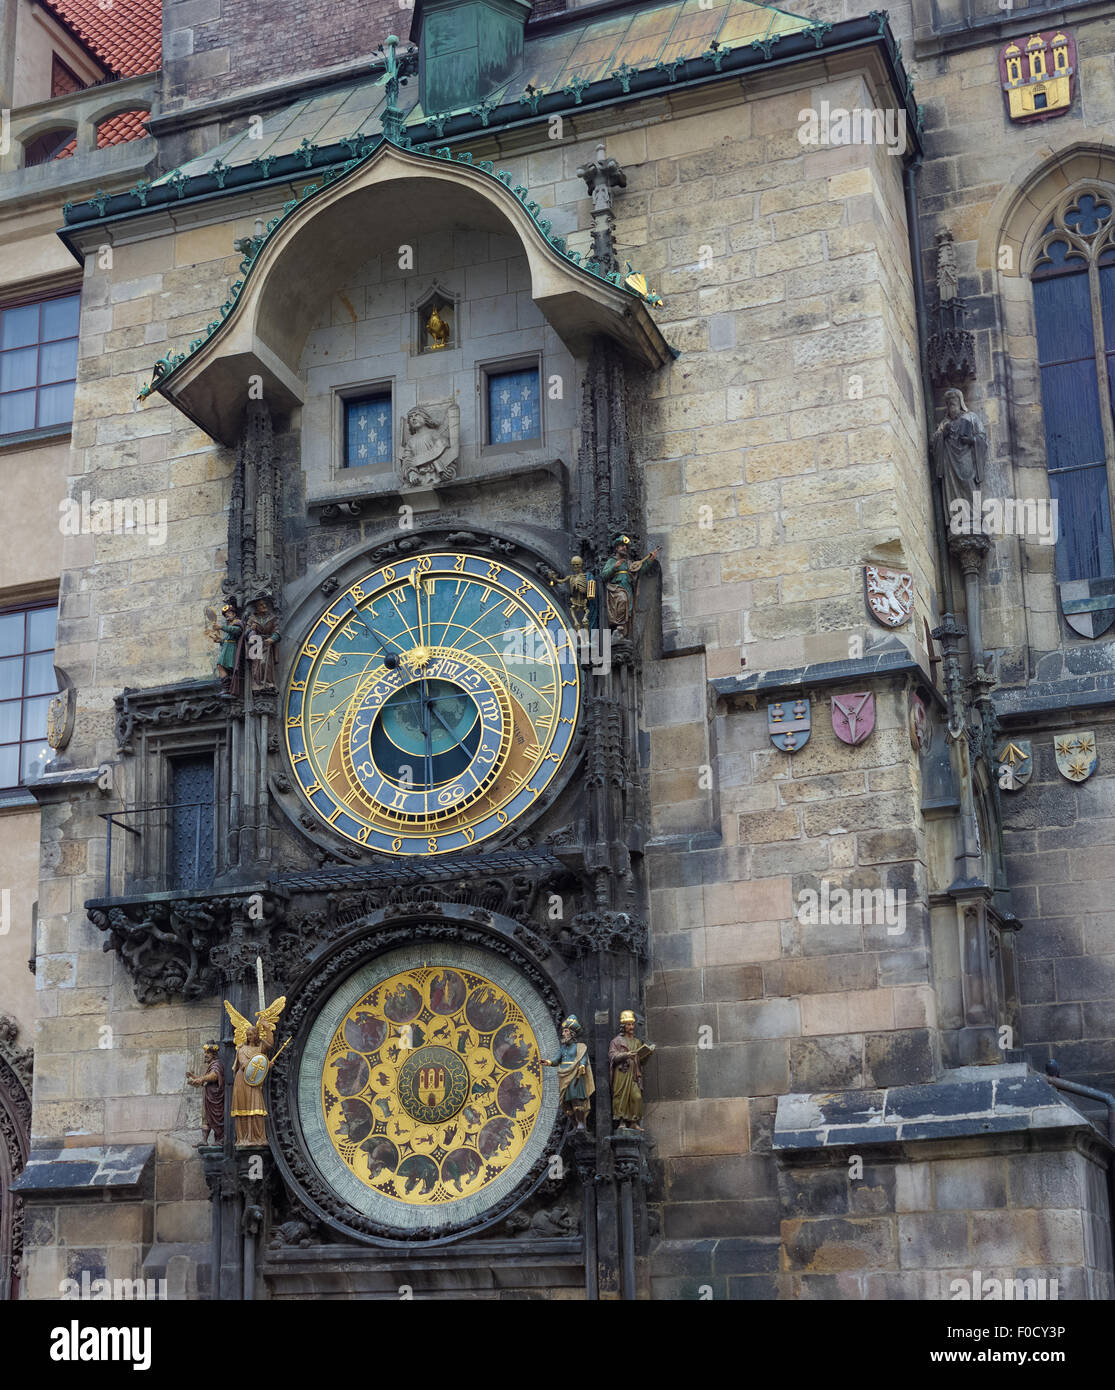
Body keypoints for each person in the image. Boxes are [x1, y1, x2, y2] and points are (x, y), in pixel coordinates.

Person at [932, 387, 987, 515]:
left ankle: (974, 517)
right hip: (950, 464)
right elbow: (935, 441)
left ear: (960, 401)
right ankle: (957, 518)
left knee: (969, 484)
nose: (951, 403)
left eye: (954, 400)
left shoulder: (971, 417)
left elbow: (982, 437)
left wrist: (972, 440)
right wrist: (942, 435)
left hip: (967, 459)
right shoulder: (944, 423)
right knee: (952, 489)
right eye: (948, 401)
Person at [541, 1014, 594, 1132]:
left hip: (575, 1075)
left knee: (577, 1100)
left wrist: (581, 1065)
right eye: (563, 1031)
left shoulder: (579, 1047)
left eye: (565, 1031)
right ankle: (575, 1124)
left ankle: (581, 1123)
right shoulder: (563, 1049)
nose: (563, 1034)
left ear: (572, 1033)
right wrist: (548, 1062)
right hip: (564, 1076)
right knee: (566, 1102)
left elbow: (583, 1058)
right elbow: (556, 1060)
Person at [601, 535, 659, 640]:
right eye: (622, 546)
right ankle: (618, 626)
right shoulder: (612, 561)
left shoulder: (629, 563)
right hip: (616, 589)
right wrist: (614, 567)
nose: (624, 548)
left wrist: (650, 560)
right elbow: (604, 575)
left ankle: (624, 631)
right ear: (617, 548)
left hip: (628, 588)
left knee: (629, 610)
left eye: (626, 546)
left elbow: (639, 570)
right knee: (622, 600)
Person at [609, 1010, 655, 1131]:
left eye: (632, 1024)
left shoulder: (637, 1042)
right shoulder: (616, 1041)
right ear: (623, 1026)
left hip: (634, 1073)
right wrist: (625, 1055)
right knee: (621, 1096)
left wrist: (647, 1054)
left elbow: (641, 1061)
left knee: (637, 1097)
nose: (631, 1027)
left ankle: (634, 1121)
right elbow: (612, 1056)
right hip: (622, 1073)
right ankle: (622, 1121)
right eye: (628, 1024)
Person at [186, 1040, 224, 1146]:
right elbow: (204, 1080)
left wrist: (201, 1079)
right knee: (205, 1117)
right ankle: (204, 1140)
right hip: (208, 1096)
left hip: (215, 1097)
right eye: (205, 1053)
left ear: (214, 1054)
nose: (205, 1055)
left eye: (208, 1053)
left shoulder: (217, 1064)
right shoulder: (210, 1065)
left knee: (216, 1117)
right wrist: (193, 1077)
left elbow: (214, 1076)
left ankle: (220, 1139)